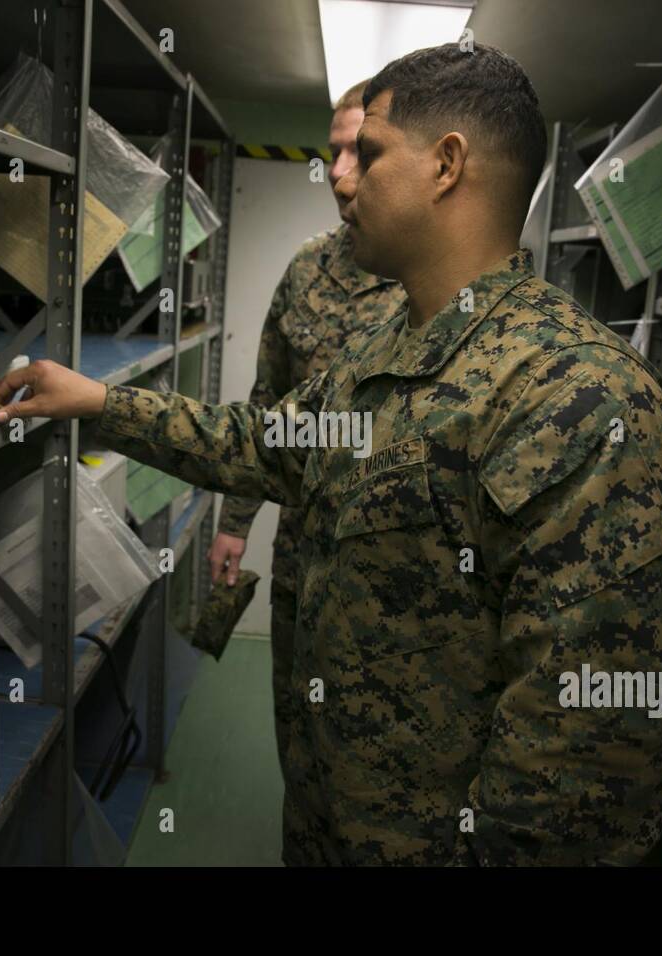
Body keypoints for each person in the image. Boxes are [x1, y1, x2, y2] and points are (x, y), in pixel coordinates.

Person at [0, 42, 662, 866]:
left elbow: (583, 755)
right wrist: (100, 403)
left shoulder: (580, 393)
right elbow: (263, 441)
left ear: (446, 165)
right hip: (328, 818)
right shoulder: (386, 347)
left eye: (370, 153)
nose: (341, 178)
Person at [207, 79, 406, 859]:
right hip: (302, 556)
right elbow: (266, 408)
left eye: (362, 151)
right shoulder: (307, 270)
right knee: (300, 738)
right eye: (333, 152)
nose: (340, 171)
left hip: (391, 576)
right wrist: (234, 525)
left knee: (380, 769)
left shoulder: (429, 281)